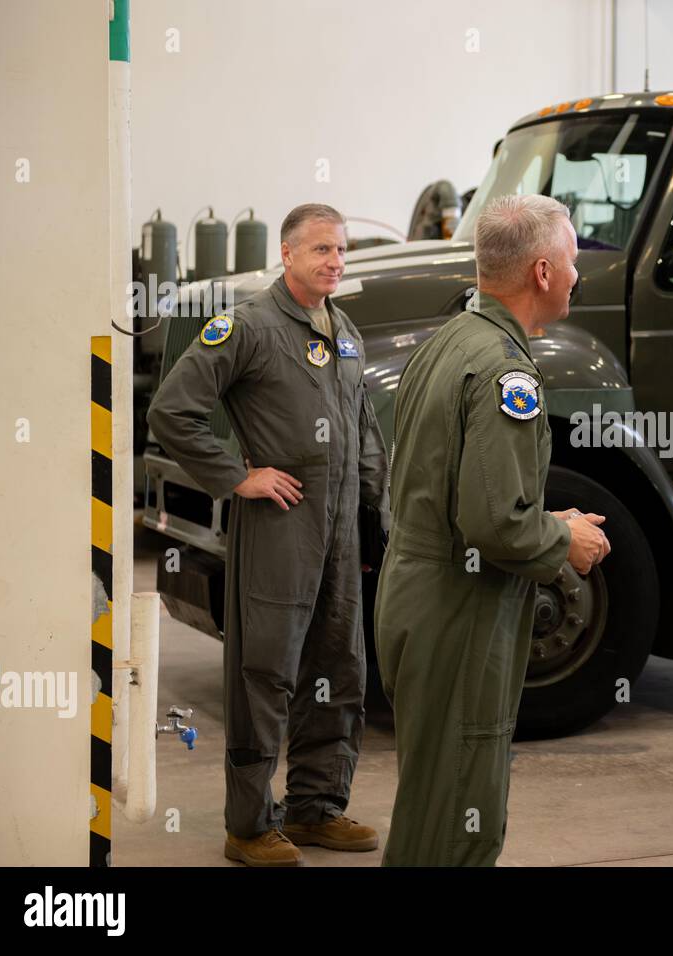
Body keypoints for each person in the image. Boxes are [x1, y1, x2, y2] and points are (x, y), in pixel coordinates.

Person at [147, 203, 388, 866]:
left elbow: (365, 432)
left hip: (340, 532)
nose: (334, 261)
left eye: (340, 250)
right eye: (320, 251)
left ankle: (317, 810)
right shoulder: (248, 326)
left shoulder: (345, 333)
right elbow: (173, 409)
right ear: (287, 255)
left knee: (339, 669)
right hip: (281, 526)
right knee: (266, 671)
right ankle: (249, 826)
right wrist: (236, 476)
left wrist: (375, 516)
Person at [376, 194, 610, 866]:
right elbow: (493, 525)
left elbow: (451, 490)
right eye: (570, 262)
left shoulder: (448, 342)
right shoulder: (507, 371)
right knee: (460, 818)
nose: (575, 276)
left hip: (419, 593)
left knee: (430, 801)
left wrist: (551, 519)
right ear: (541, 271)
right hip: (462, 610)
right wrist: (568, 541)